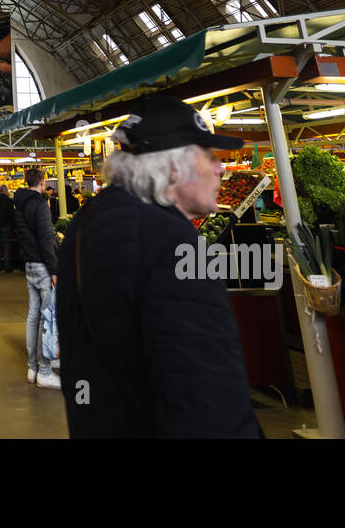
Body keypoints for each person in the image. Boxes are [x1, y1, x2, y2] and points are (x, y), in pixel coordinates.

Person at [57, 96, 262, 438]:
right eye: (208, 155)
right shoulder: (171, 242)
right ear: (172, 168)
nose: (220, 167)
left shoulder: (87, 221)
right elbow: (206, 395)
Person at [14, 168, 61, 389]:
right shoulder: (40, 204)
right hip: (43, 266)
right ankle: (44, 371)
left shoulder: (20, 204)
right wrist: (54, 269)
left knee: (33, 316)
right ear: (42, 182)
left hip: (29, 264)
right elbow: (45, 238)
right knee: (46, 320)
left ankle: (33, 367)